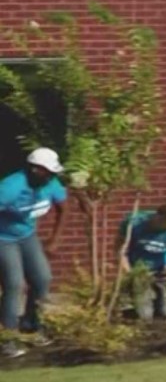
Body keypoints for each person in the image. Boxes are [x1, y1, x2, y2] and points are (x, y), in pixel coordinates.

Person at [0, 147, 67, 359]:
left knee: (42, 279)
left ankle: (31, 326)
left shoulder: (51, 183)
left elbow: (63, 208)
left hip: (27, 236)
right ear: (35, 169)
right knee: (14, 284)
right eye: (48, 172)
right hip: (3, 239)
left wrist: (56, 240)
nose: (52, 177)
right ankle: (7, 339)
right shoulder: (11, 187)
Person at [116, 203, 166, 321]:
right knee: (145, 315)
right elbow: (120, 251)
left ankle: (161, 298)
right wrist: (130, 274)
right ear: (158, 217)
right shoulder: (133, 223)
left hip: (163, 269)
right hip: (139, 269)